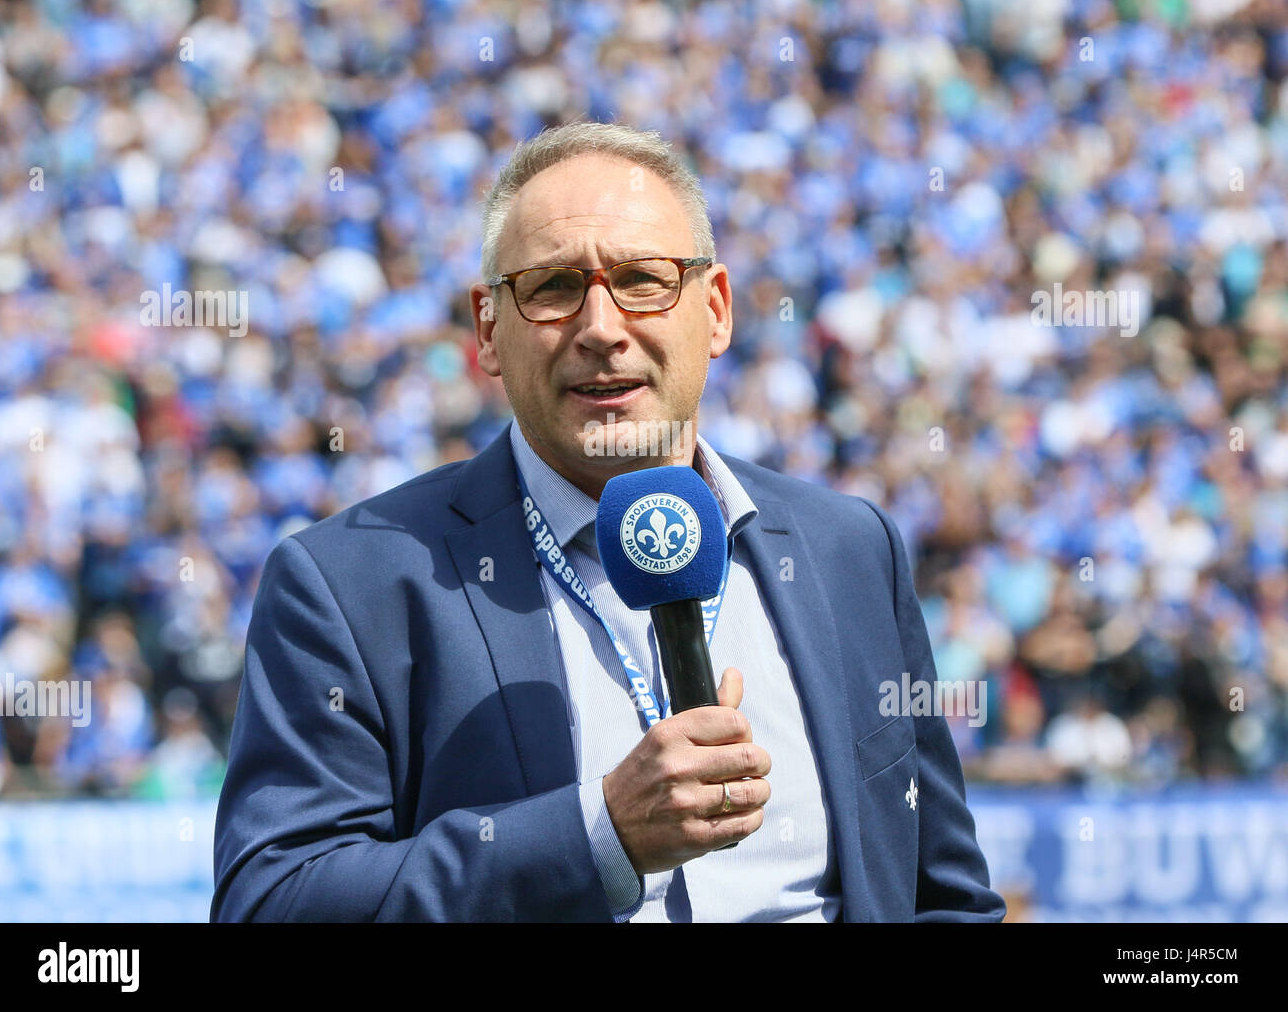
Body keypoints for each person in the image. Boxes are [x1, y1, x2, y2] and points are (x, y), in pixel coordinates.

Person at [211, 122, 1006, 922]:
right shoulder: (348, 582)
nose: (601, 326)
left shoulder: (849, 550)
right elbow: (275, 901)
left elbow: (942, 894)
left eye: (643, 279)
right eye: (554, 287)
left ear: (718, 310)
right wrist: (599, 833)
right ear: (489, 330)